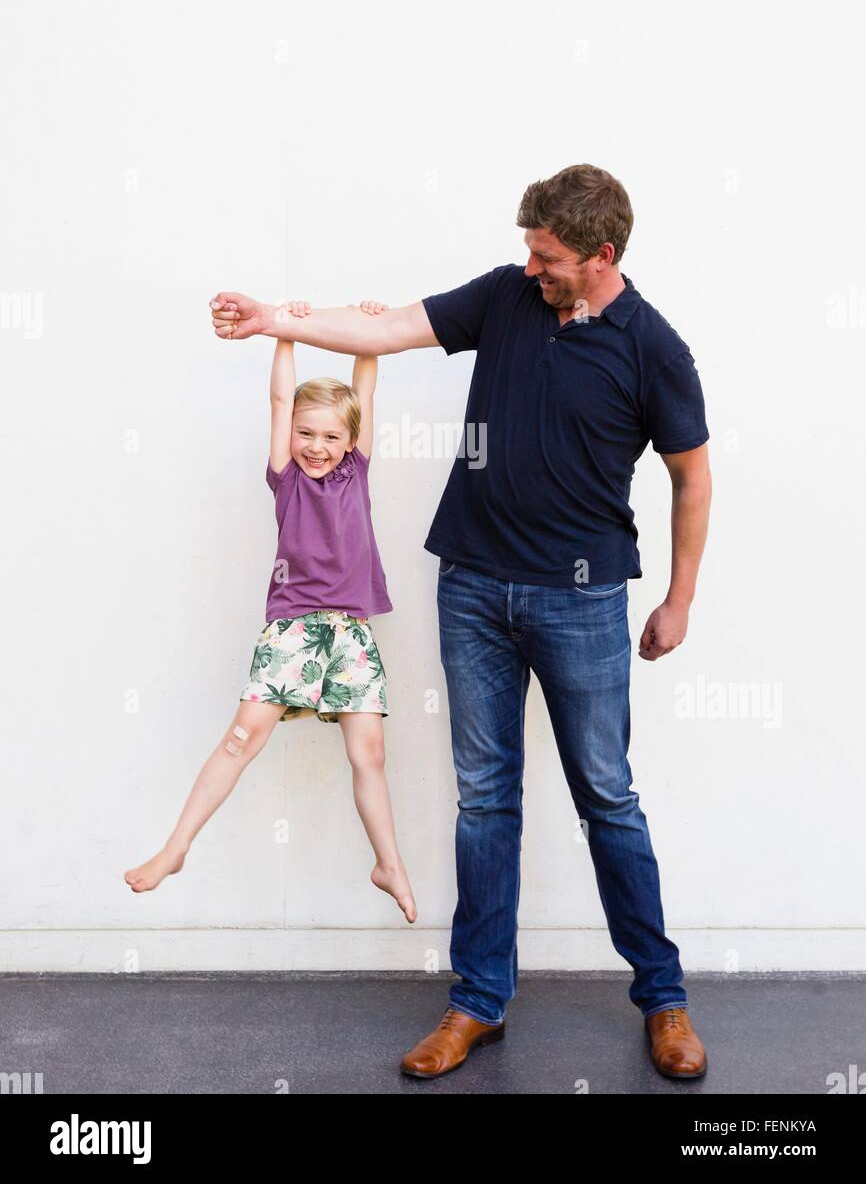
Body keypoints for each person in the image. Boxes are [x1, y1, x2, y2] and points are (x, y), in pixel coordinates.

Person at [208, 162, 712, 1082]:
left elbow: (691, 474)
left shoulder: (654, 349)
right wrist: (277, 321)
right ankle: (479, 1001)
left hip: (583, 599)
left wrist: (679, 598)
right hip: (474, 588)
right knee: (485, 799)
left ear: (601, 255)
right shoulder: (506, 297)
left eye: (548, 255)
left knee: (607, 795)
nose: (530, 266)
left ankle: (663, 999)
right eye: (526, 249)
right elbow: (388, 327)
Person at [124, 301, 417, 925]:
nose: (317, 446)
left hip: (351, 633)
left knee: (369, 754)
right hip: (293, 627)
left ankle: (388, 862)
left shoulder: (356, 471)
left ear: (350, 439)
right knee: (240, 739)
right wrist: (282, 334)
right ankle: (176, 849)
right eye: (306, 434)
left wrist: (366, 341)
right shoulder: (286, 477)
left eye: (330, 436)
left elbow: (366, 387)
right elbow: (279, 401)